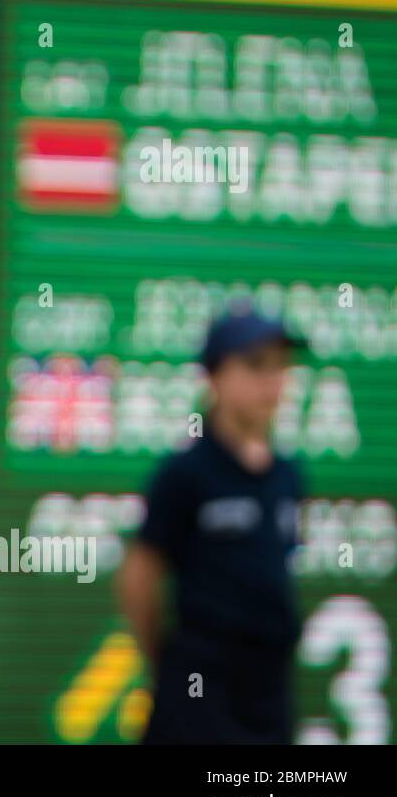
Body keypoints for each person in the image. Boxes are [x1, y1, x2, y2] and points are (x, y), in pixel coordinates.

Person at [118, 302, 309, 744]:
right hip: (201, 690)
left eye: (281, 366)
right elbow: (139, 577)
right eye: (256, 365)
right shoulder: (186, 473)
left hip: (269, 693)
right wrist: (168, 663)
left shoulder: (288, 474)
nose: (273, 381)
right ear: (216, 376)